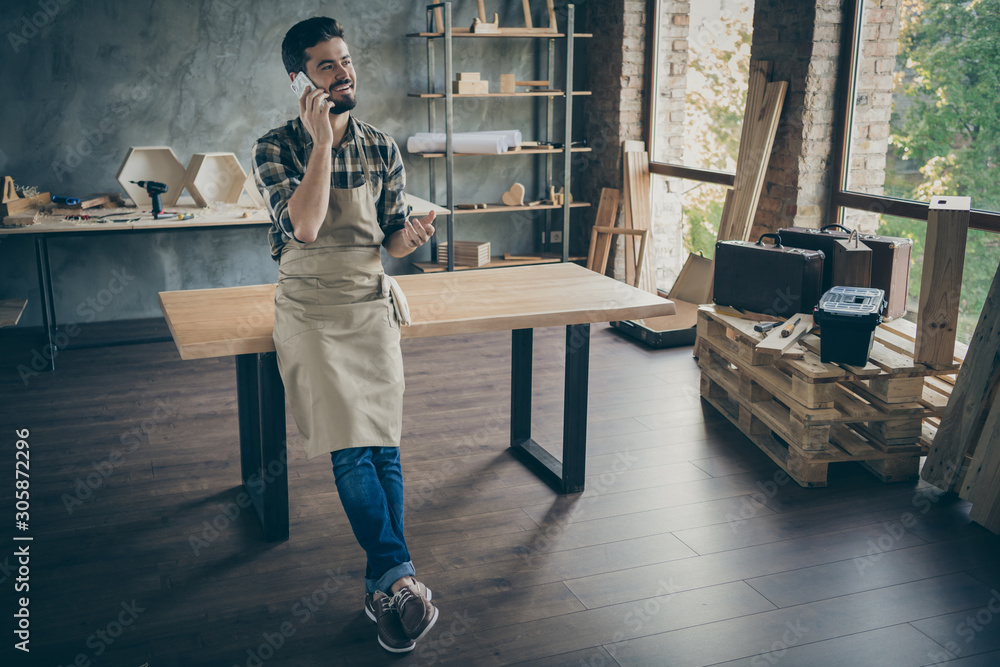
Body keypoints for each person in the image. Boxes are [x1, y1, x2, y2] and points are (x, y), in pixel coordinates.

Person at [251, 16, 438, 654]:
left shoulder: (383, 146)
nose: (343, 73)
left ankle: (390, 589)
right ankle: (402, 576)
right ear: (298, 79)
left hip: (366, 300)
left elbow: (387, 241)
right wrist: (322, 144)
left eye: (346, 61)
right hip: (308, 310)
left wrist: (406, 241)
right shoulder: (275, 147)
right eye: (327, 65)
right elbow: (304, 227)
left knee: (382, 447)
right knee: (349, 447)